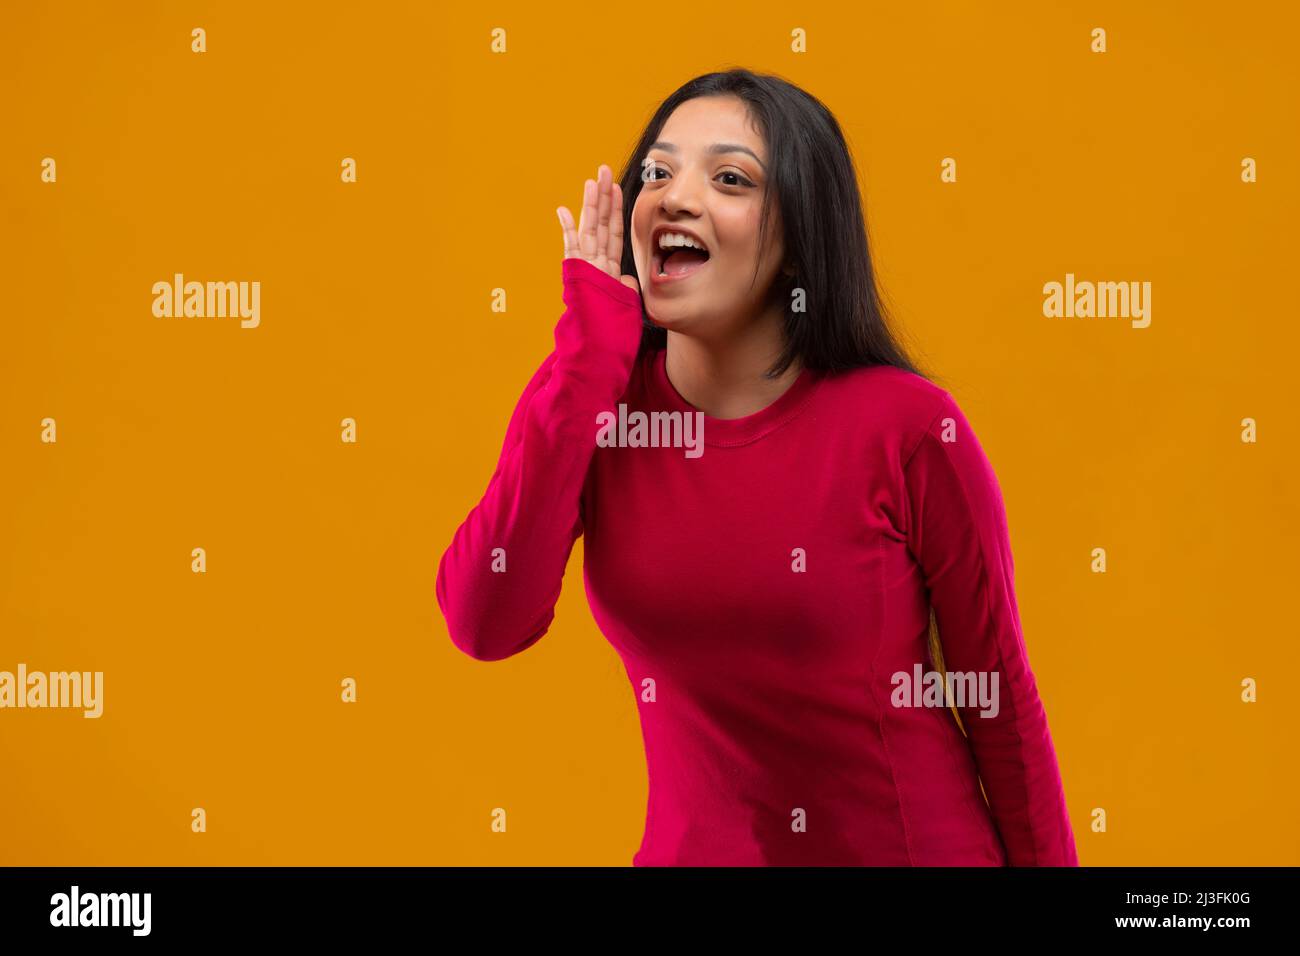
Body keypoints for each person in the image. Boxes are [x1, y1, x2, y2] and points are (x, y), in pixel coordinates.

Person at [436, 68, 1078, 867]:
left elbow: (1002, 704)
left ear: (800, 238)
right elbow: (484, 621)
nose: (674, 196)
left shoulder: (909, 429)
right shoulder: (592, 400)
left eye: (730, 178)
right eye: (657, 172)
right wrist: (587, 355)